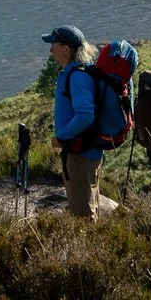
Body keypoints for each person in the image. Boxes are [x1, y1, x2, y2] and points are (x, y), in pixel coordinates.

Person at [44, 24, 107, 217]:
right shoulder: (79, 71)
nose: (50, 50)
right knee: (85, 209)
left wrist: (62, 136)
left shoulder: (77, 76)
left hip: (81, 155)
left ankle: (87, 247)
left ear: (66, 49)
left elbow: (85, 115)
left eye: (53, 45)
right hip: (83, 151)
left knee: (83, 216)